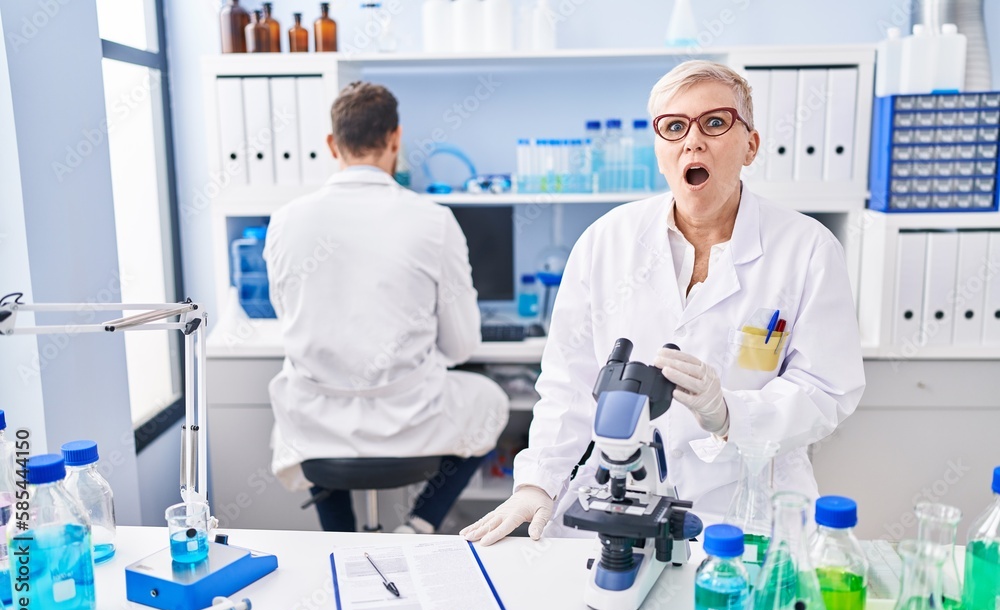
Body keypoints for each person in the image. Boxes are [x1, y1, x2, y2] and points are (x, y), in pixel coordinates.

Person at [462, 60, 865, 546]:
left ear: (751, 145)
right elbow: (569, 383)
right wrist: (537, 482)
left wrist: (730, 413)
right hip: (619, 496)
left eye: (715, 123)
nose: (692, 141)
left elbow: (827, 390)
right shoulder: (604, 241)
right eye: (674, 127)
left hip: (747, 506)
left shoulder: (807, 249)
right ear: (659, 151)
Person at [264, 81, 509, 534]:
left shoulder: (285, 221)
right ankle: (419, 526)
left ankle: (338, 539)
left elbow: (290, 319)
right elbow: (460, 348)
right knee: (491, 401)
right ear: (396, 139)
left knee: (305, 413)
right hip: (408, 420)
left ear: (331, 144)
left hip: (317, 422)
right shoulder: (433, 220)